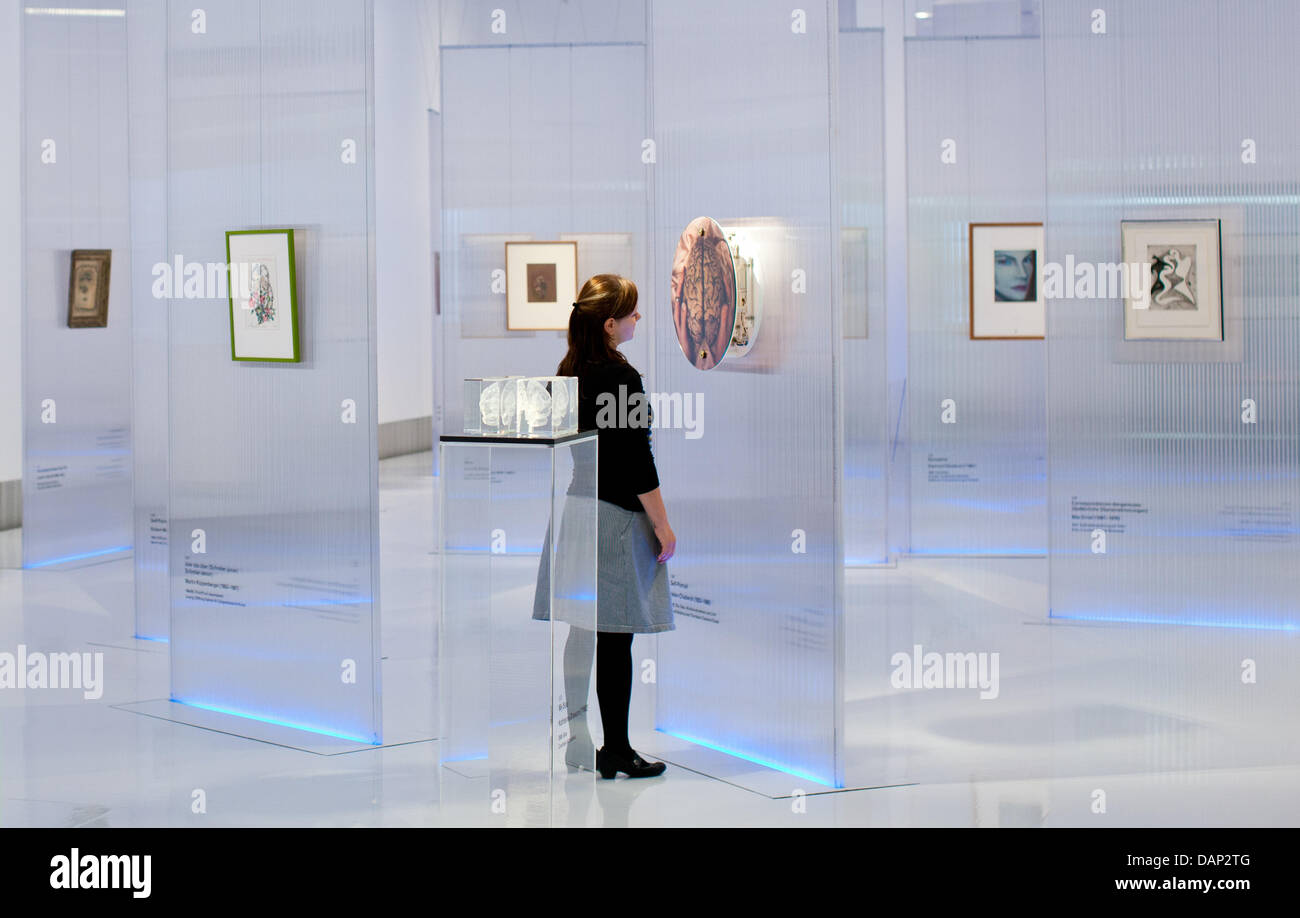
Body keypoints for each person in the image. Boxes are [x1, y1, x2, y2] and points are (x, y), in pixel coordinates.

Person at [542, 274, 676, 780]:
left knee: (581, 630)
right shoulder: (624, 379)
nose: (639, 319)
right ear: (610, 323)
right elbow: (636, 459)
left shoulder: (569, 370)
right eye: (634, 313)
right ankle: (616, 748)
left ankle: (579, 741)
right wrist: (662, 524)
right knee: (616, 637)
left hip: (577, 511)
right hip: (615, 518)